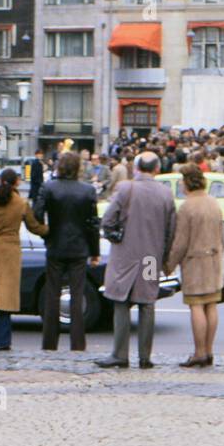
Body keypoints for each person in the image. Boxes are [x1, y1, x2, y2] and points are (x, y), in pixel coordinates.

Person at [95, 152, 176, 369]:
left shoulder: (125, 189)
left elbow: (108, 221)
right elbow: (170, 231)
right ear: (157, 169)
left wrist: (115, 236)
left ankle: (120, 354)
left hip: (125, 256)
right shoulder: (166, 193)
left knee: (121, 302)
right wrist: (164, 256)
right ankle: (145, 356)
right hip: (151, 258)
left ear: (137, 167)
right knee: (147, 303)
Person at [0, 168, 48, 350]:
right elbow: (34, 227)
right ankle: (3, 342)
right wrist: (51, 230)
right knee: (5, 298)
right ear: (17, 183)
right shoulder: (21, 203)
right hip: (10, 252)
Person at [34, 150, 101, 352]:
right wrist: (94, 251)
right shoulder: (88, 190)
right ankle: (78, 345)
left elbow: (37, 214)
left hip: (55, 246)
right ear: (78, 168)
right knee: (77, 296)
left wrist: (47, 235)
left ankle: (49, 344)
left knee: (52, 297)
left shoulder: (49, 188)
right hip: (79, 248)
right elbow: (92, 225)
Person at [165, 164, 224, 367]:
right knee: (212, 305)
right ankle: (209, 351)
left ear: (187, 182)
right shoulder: (213, 203)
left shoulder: (187, 207)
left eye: (182, 181)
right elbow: (222, 237)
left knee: (197, 305)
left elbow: (180, 242)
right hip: (214, 262)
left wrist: (169, 265)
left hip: (195, 263)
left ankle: (199, 352)